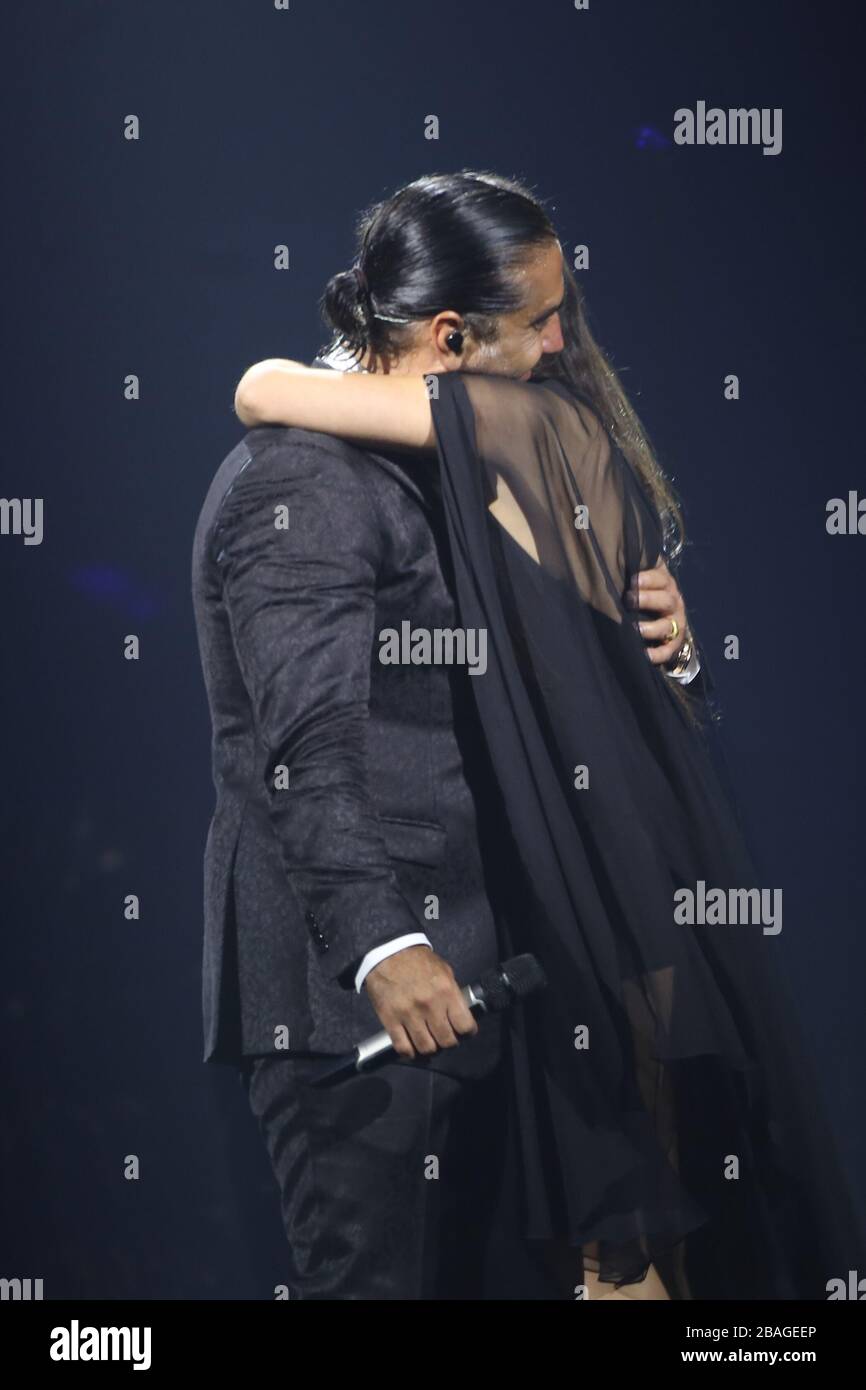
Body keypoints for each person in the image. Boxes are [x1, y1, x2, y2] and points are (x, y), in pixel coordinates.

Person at [230, 171, 866, 1300]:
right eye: (538, 320)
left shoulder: (520, 435)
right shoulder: (310, 483)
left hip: (544, 980)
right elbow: (307, 750)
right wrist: (384, 945)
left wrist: (671, 650)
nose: (562, 340)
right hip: (384, 1002)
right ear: (448, 332)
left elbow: (606, 699)